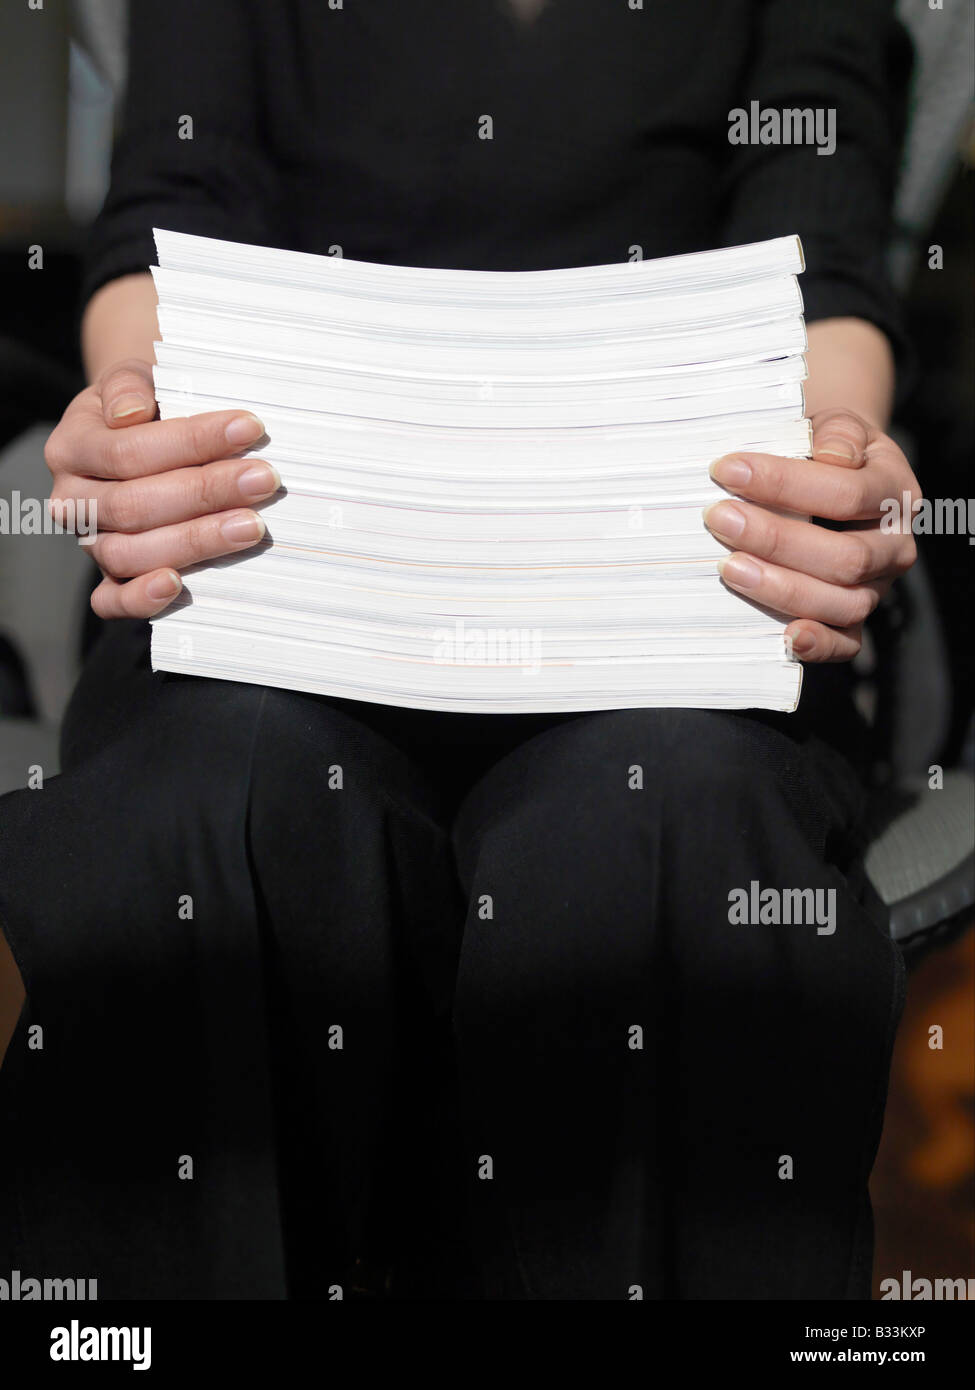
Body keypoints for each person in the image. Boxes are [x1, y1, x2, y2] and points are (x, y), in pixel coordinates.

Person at [0, 0, 919, 1299]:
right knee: (207, 807)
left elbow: (822, 262)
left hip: (663, 596)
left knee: (658, 834)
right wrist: (138, 432)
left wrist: (830, 469)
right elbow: (169, 213)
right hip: (284, 573)